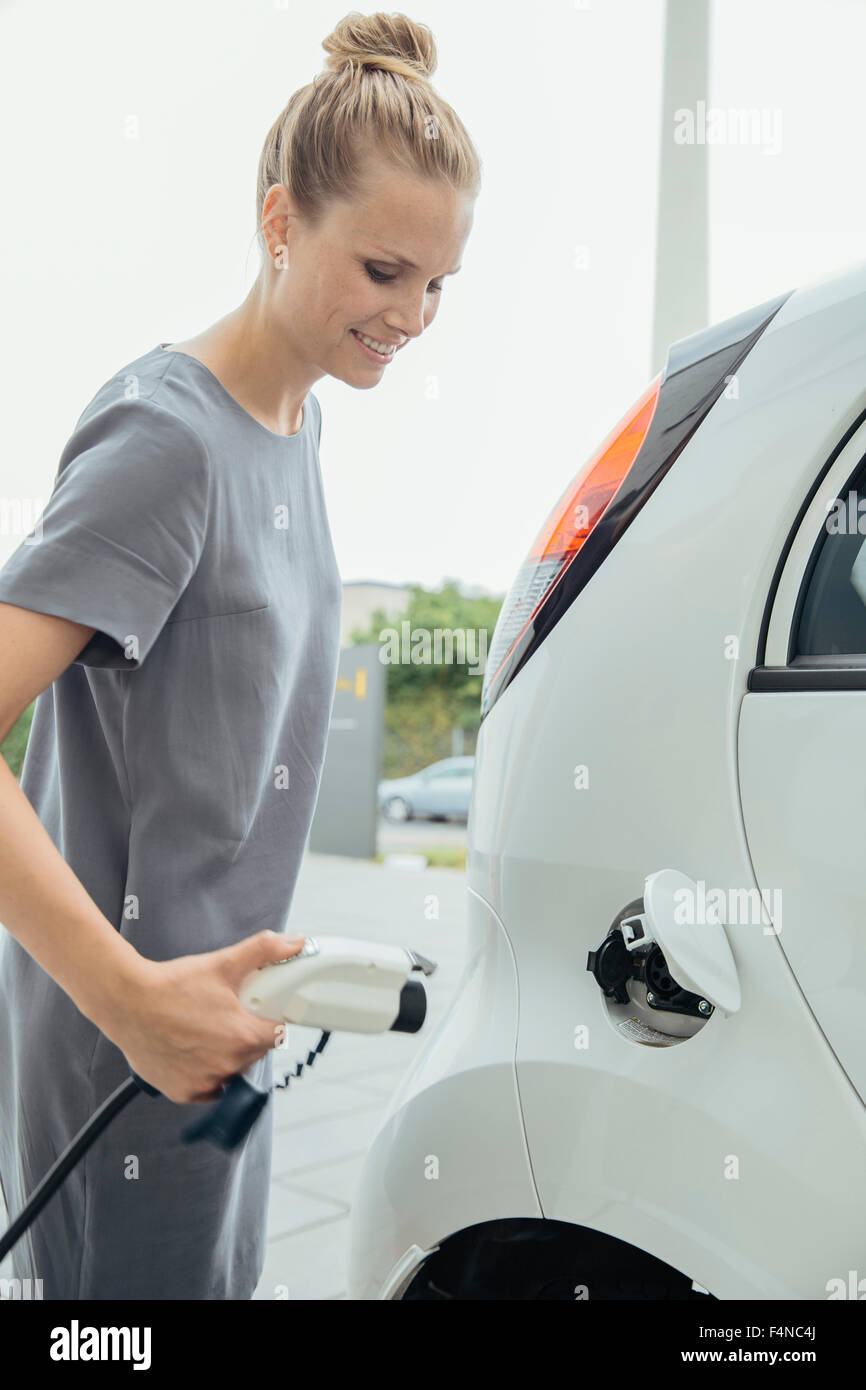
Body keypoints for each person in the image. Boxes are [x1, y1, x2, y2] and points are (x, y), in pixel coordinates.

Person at [0, 10, 480, 1300]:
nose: (414, 314)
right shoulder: (168, 440)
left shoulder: (297, 429)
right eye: (384, 271)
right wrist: (128, 999)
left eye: (438, 282)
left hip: (223, 1025)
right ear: (281, 222)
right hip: (126, 1048)